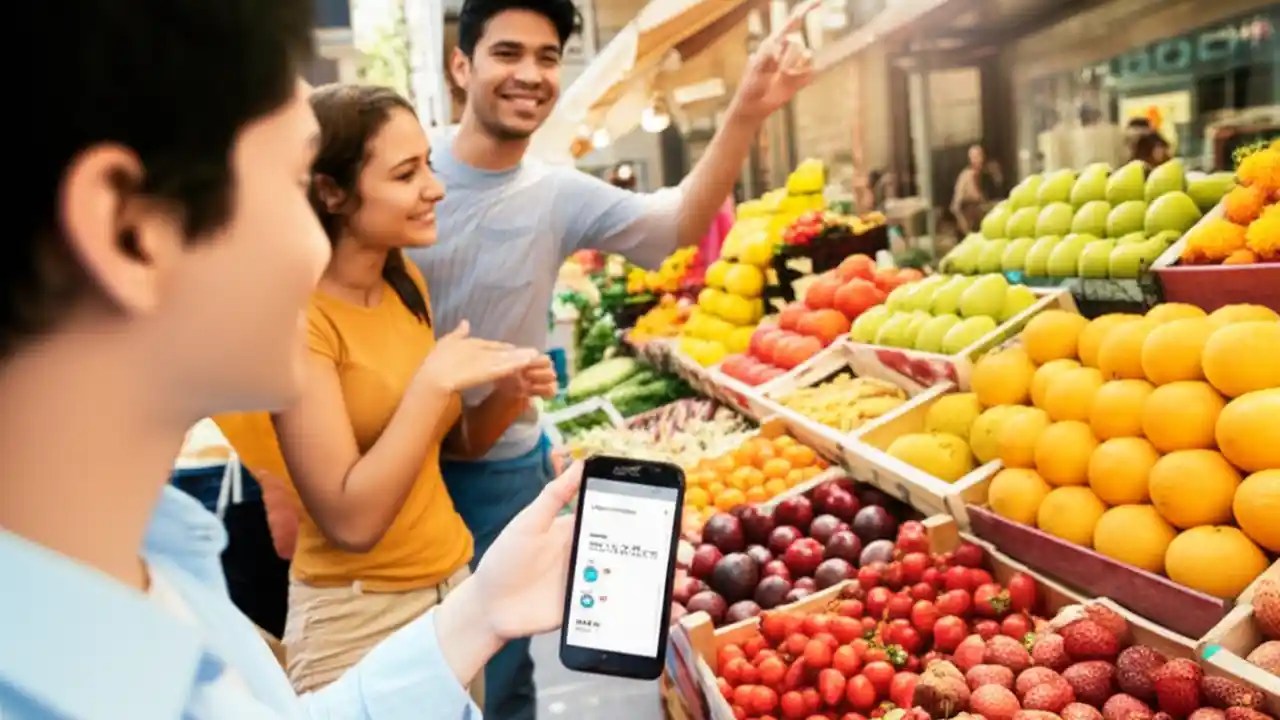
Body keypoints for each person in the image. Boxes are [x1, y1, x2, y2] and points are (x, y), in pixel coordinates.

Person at [1, 1, 581, 717]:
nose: (315, 244)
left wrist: (480, 611)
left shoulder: (169, 568)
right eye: (294, 181)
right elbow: (349, 515)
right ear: (131, 232)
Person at [409, 1, 818, 714]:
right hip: (395, 469)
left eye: (546, 57)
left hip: (500, 467)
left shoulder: (556, 193)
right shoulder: (407, 177)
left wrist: (748, 111)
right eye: (507, 53)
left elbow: (676, 227)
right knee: (418, 682)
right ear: (460, 65)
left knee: (501, 681)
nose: (530, 74)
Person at [212, 83, 558, 696]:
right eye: (406, 173)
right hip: (356, 621)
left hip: (452, 596)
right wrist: (433, 382)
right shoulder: (299, 320)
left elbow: (450, 449)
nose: (436, 187)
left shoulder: (406, 287)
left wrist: (510, 395)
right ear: (331, 191)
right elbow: (351, 521)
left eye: (427, 162)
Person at [950, 144, 1002, 235]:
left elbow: (996, 192)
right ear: (970, 159)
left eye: (981, 155)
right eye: (975, 157)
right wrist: (965, 228)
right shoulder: (965, 176)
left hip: (986, 219)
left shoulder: (987, 174)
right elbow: (956, 205)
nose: (979, 159)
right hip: (969, 220)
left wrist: (996, 174)